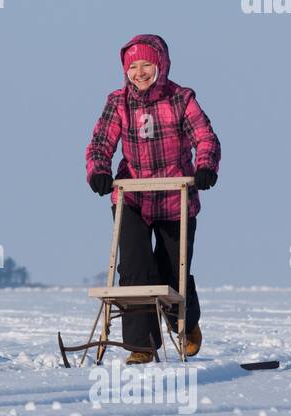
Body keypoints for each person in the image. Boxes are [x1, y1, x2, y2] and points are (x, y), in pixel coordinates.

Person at [84, 34, 221, 363]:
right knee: (134, 269)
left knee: (172, 271)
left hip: (177, 198)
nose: (140, 72)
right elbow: (100, 142)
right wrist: (98, 171)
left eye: (147, 64)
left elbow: (205, 136)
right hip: (132, 197)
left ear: (160, 65)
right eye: (133, 66)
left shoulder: (181, 99)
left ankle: (185, 324)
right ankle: (142, 346)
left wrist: (205, 166)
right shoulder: (118, 102)